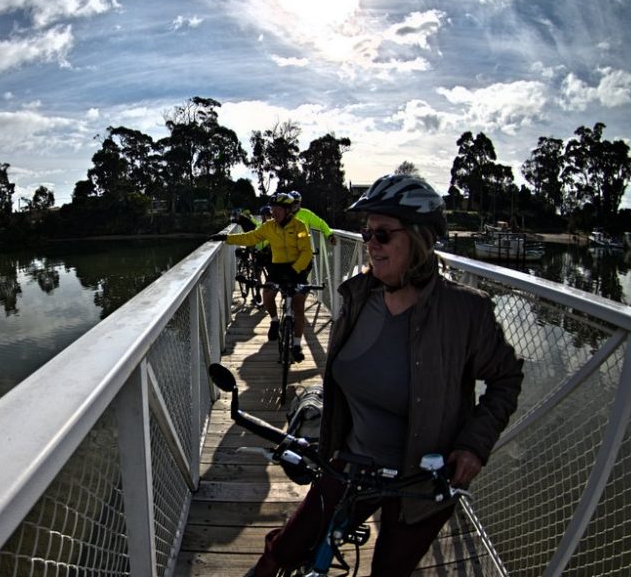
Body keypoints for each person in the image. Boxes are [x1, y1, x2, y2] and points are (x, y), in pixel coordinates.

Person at [247, 174, 524, 577]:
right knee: (288, 546)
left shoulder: (465, 312)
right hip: (351, 460)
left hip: (422, 482)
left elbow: (506, 378)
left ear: (420, 239)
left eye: (382, 234)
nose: (370, 244)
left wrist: (473, 445)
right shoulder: (358, 295)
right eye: (366, 233)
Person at [210, 192, 313, 362]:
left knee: (298, 305)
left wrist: (296, 269)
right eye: (273, 209)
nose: (274, 212)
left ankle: (296, 344)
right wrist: (227, 238)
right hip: (278, 267)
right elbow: (250, 237)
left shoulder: (300, 227)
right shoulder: (269, 226)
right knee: (267, 294)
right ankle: (274, 320)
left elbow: (306, 252)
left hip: (297, 268)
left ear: (288, 210)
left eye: (278, 209)